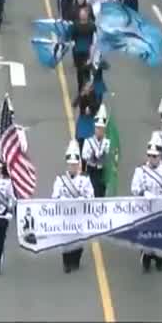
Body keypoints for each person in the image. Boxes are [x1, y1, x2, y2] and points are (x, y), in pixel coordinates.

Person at [131, 141, 162, 272]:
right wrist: (143, 193)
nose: (152, 158)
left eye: (155, 156)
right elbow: (134, 188)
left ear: (160, 157)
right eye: (150, 155)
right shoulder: (140, 171)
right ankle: (146, 260)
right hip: (146, 209)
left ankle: (160, 260)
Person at [53, 140, 95, 273]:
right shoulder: (60, 180)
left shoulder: (85, 179)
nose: (72, 167)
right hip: (65, 214)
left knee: (78, 239)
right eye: (70, 165)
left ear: (78, 165)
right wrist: (62, 200)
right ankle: (66, 262)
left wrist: (84, 199)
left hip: (79, 214)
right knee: (66, 239)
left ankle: (75, 260)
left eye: (74, 165)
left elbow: (91, 196)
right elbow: (54, 196)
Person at [82, 113, 111, 197]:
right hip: (92, 170)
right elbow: (84, 155)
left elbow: (110, 156)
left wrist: (104, 156)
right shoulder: (88, 141)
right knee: (92, 191)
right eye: (98, 128)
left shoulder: (107, 143)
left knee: (102, 192)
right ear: (95, 129)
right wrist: (91, 156)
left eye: (101, 129)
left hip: (102, 171)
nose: (99, 131)